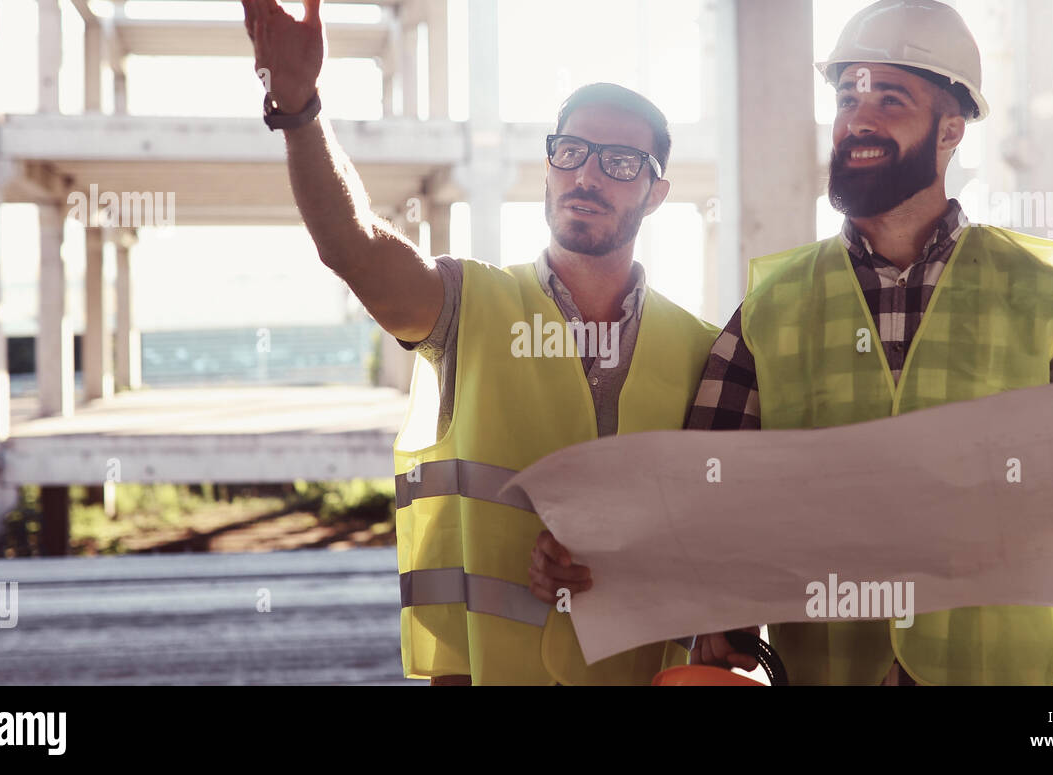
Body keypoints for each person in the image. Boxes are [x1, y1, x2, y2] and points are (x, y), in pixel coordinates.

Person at [685, 0, 1053, 685]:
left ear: (952, 129)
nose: (859, 117)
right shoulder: (774, 304)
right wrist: (713, 603)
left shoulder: (1042, 297)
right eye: (848, 95)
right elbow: (703, 490)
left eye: (891, 98)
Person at [240, 0, 719, 685]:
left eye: (619, 162)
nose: (587, 175)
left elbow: (723, 539)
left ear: (656, 191)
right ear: (550, 168)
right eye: (572, 152)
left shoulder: (706, 351)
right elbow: (353, 246)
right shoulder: (469, 305)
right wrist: (298, 105)